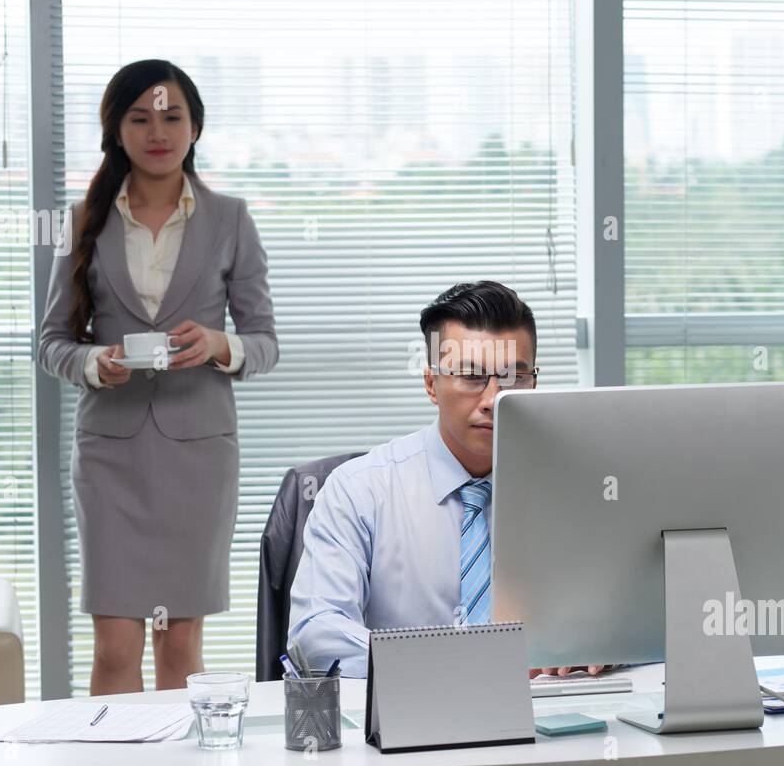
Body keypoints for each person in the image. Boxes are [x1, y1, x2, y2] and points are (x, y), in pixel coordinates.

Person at [37, 59, 279, 695]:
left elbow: (265, 343)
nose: (157, 131)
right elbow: (51, 344)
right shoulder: (83, 218)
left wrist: (218, 344)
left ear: (195, 127)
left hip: (196, 458)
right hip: (111, 457)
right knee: (116, 646)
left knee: (181, 641)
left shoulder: (230, 219)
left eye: (172, 116)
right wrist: (95, 363)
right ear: (116, 130)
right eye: (140, 117)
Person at [287, 281, 613, 679]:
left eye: (515, 377)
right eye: (472, 376)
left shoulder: (579, 490)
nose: (494, 398)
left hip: (549, 719)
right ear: (431, 385)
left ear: (534, 383)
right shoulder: (359, 491)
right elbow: (316, 633)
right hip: (407, 715)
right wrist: (449, 666)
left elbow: (634, 609)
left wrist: (607, 644)